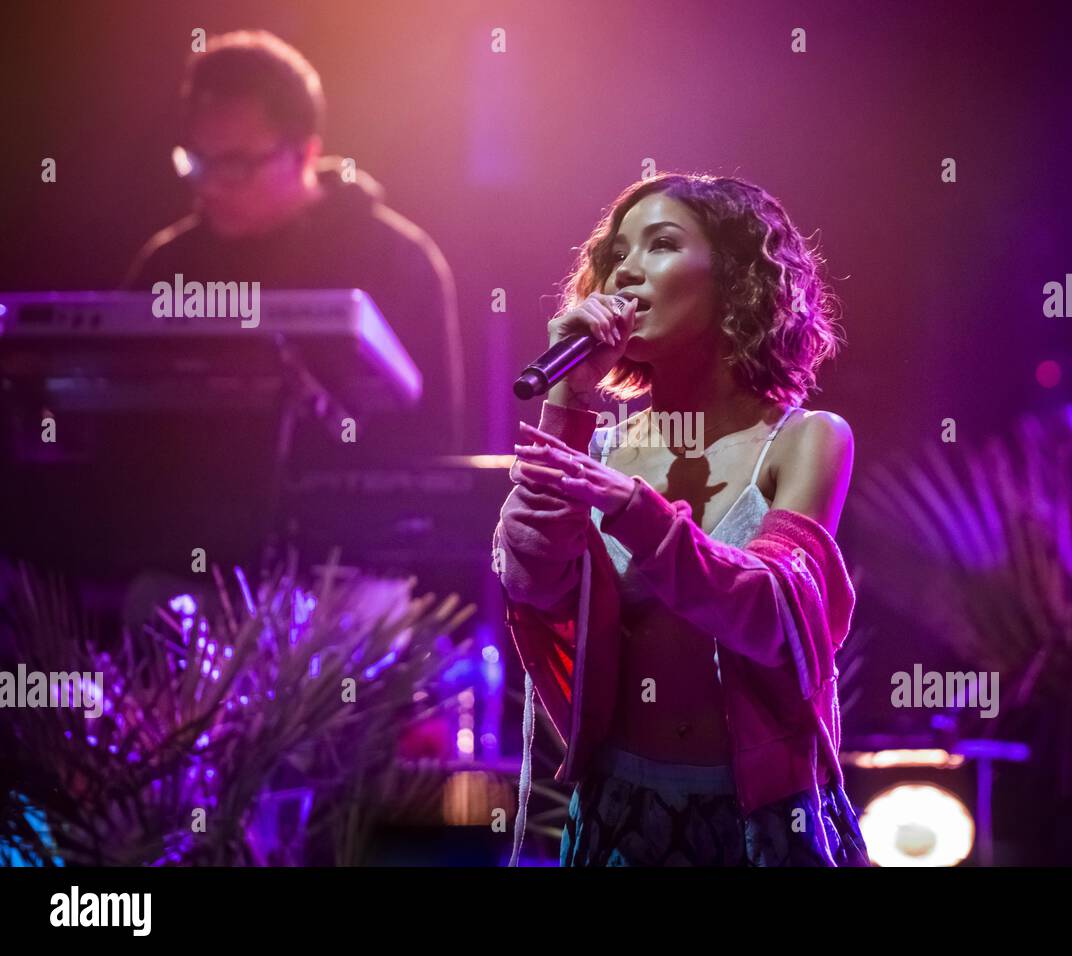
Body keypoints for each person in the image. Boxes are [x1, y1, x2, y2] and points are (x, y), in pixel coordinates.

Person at [492, 172, 868, 866]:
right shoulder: (601, 448)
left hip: (759, 819)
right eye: (615, 255)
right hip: (618, 814)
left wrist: (642, 516)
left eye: (661, 245)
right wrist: (570, 398)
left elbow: (776, 613)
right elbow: (532, 579)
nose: (627, 269)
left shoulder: (805, 439)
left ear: (737, 279)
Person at [123, 29, 464, 454]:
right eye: (198, 161)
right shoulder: (167, 265)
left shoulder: (398, 260)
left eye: (235, 164)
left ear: (305, 154)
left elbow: (429, 446)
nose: (209, 186)